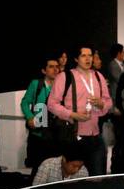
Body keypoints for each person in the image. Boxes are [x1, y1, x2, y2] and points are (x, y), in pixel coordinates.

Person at [47, 45, 112, 178]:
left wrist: (101, 104)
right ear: (76, 58)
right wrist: (72, 114)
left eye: (90, 55)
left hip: (96, 134)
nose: (88, 59)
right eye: (83, 55)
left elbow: (108, 101)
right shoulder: (65, 77)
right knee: (76, 181)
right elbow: (51, 104)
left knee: (98, 179)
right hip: (73, 136)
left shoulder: (98, 76)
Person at [20, 55, 61, 172]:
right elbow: (24, 102)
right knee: (38, 169)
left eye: (57, 67)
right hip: (39, 134)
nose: (55, 69)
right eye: (51, 67)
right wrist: (30, 117)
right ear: (44, 70)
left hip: (55, 134)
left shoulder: (61, 86)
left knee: (55, 169)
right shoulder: (36, 84)